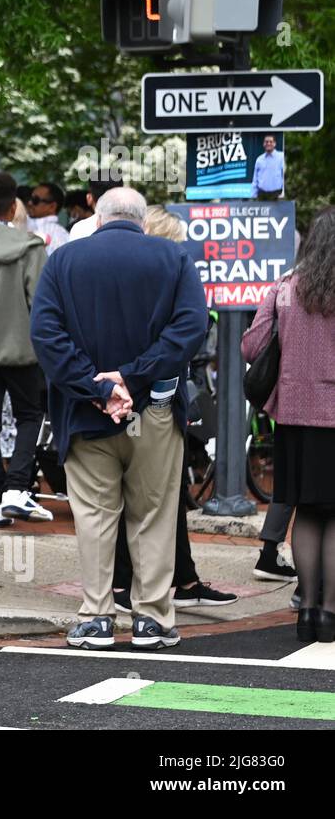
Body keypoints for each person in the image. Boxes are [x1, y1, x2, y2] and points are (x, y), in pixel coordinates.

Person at [31, 187, 208, 651]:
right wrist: (133, 378)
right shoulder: (173, 260)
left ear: (97, 216)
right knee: (153, 514)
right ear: (143, 220)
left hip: (86, 415)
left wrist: (99, 387)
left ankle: (96, 617)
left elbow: (47, 336)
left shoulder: (64, 261)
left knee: (94, 517)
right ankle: (151, 618)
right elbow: (191, 326)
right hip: (155, 412)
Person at [109, 205, 237, 612]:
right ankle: (133, 587)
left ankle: (180, 578)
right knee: (145, 497)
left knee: (167, 493)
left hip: (157, 395)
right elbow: (184, 332)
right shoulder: (161, 278)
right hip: (150, 399)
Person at [243, 208, 335, 642]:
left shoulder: (284, 289)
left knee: (305, 512)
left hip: (294, 418)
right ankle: (331, 612)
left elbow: (251, 346)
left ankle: (307, 614)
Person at [0, 172, 52, 527]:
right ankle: (17, 488)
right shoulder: (33, 248)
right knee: (30, 416)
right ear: (15, 204)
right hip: (24, 349)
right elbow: (41, 302)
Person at [27, 183, 70, 256]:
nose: (29, 203)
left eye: (35, 200)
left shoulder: (59, 236)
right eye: (30, 198)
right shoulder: (22, 224)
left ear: (52, 206)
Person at [251, 134, 285, 201]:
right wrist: (253, 195)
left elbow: (284, 176)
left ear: (274, 144)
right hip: (262, 195)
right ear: (263, 144)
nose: (268, 143)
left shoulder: (281, 157)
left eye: (271, 142)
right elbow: (255, 179)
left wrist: (283, 194)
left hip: (277, 195)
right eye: (266, 142)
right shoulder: (259, 159)